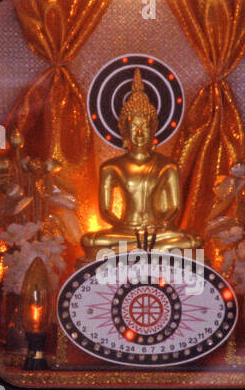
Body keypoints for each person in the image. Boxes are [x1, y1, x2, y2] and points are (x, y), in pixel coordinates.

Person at [81, 69, 200, 255]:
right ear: (124, 129)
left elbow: (175, 207)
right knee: (89, 241)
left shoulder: (167, 166)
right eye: (134, 126)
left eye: (144, 126)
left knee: (193, 241)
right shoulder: (111, 167)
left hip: (158, 232)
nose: (139, 133)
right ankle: (141, 249)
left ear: (153, 128)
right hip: (126, 231)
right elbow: (105, 209)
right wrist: (125, 227)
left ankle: (136, 250)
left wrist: (159, 225)